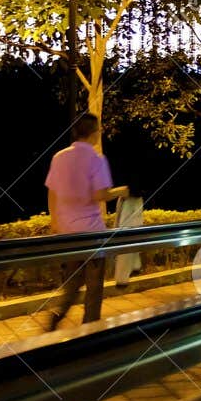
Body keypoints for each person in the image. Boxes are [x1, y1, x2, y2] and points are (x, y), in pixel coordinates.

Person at [42, 113, 128, 330]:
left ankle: (56, 315)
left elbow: (51, 192)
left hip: (68, 231)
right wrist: (120, 191)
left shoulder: (59, 157)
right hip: (92, 232)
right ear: (94, 132)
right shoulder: (97, 158)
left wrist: (55, 221)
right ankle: (90, 326)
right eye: (99, 129)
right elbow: (99, 195)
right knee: (94, 285)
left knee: (72, 281)